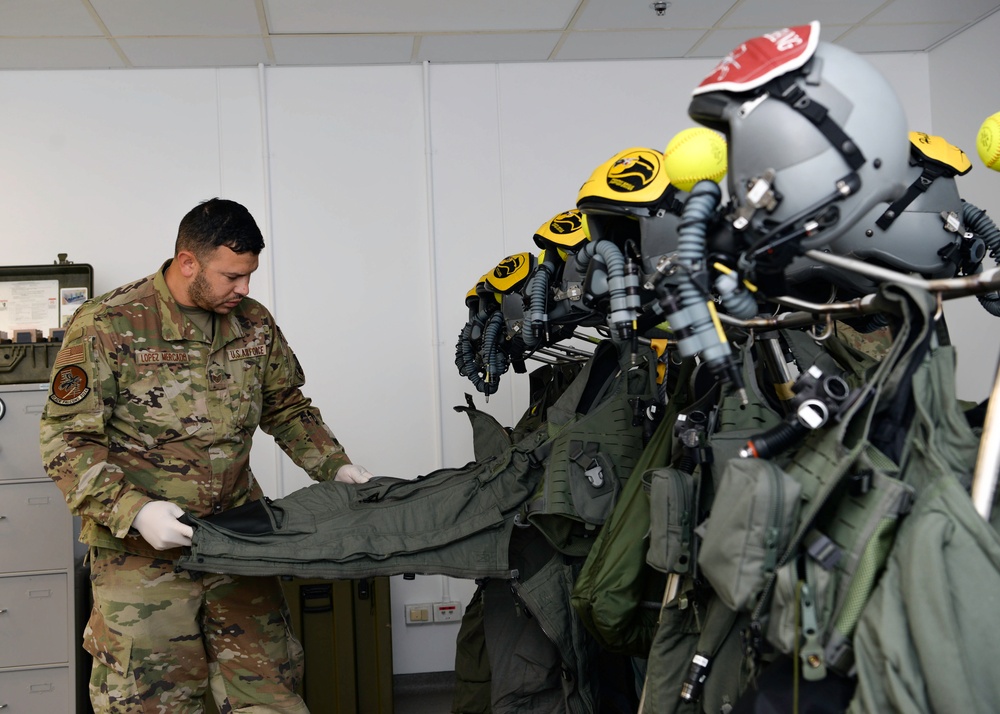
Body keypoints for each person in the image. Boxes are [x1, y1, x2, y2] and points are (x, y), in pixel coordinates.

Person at [39, 197, 373, 713]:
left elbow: (285, 405)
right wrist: (136, 511)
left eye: (249, 277)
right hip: (141, 558)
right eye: (232, 276)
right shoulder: (109, 323)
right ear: (188, 262)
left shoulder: (252, 322)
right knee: (152, 701)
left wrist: (337, 466)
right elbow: (67, 441)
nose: (244, 289)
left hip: (239, 539)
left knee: (270, 692)